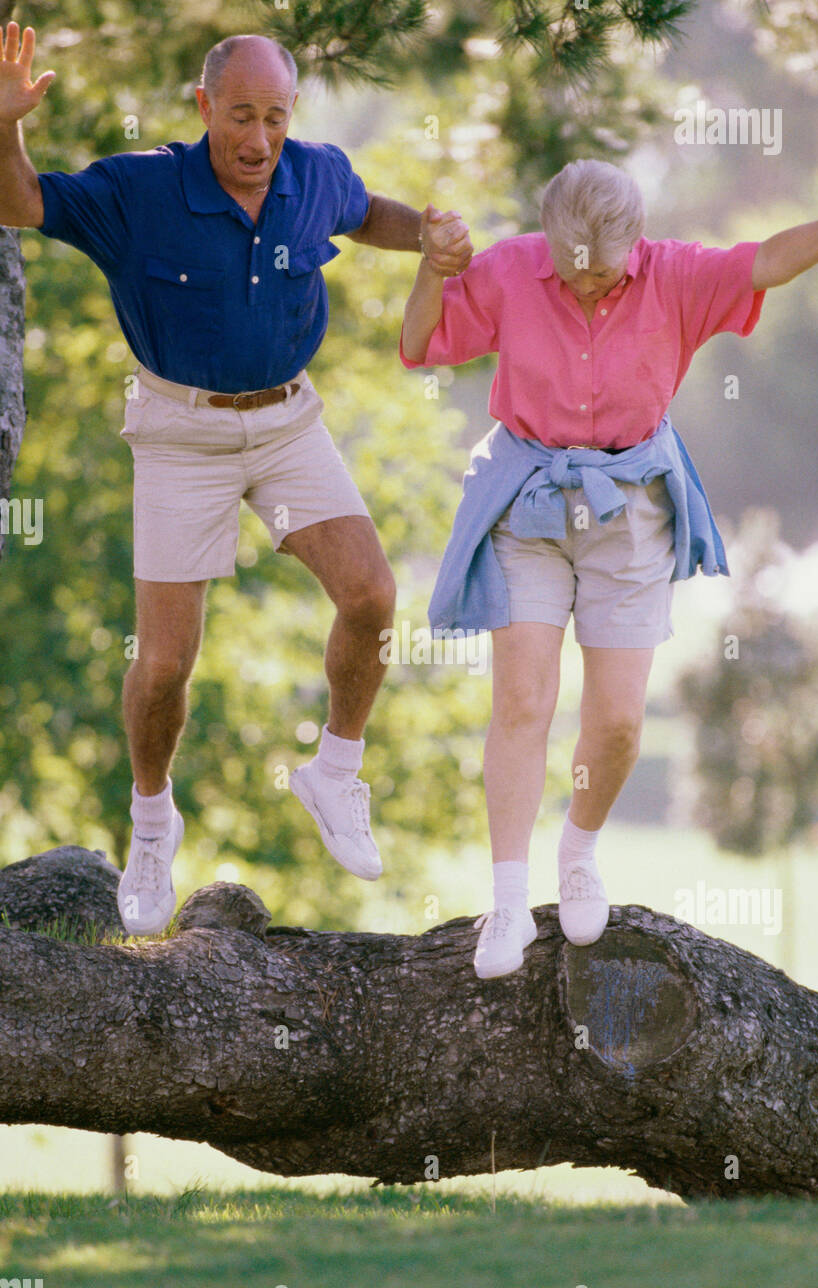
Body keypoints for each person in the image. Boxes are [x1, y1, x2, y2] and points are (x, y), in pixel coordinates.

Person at [0, 24, 471, 935]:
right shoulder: (138, 190)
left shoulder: (312, 173)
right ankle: (150, 823)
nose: (259, 140)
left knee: (372, 596)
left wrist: (430, 235)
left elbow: (365, 209)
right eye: (242, 116)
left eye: (276, 118)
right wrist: (6, 125)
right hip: (181, 435)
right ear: (204, 106)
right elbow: (18, 204)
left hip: (288, 425)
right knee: (167, 664)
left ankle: (335, 772)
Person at [402, 156, 818, 981]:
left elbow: (763, 261)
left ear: (633, 242)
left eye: (601, 275)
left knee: (615, 724)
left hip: (630, 506)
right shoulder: (512, 269)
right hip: (528, 500)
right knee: (522, 699)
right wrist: (433, 271)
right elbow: (420, 344)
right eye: (570, 276)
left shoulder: (678, 276)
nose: (583, 291)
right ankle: (508, 900)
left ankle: (577, 850)